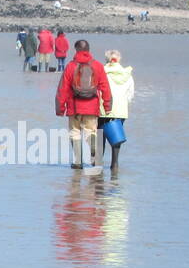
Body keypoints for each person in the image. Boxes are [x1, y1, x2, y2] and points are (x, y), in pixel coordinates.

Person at [56, 39, 112, 170]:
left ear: (76, 50)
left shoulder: (70, 66)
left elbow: (62, 89)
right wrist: (107, 106)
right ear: (88, 49)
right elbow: (105, 87)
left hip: (74, 107)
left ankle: (77, 162)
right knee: (91, 132)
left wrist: (60, 108)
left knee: (75, 133)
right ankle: (94, 154)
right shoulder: (97, 66)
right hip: (92, 106)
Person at [99, 49, 135, 170]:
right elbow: (130, 94)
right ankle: (115, 164)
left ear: (106, 59)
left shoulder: (102, 73)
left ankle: (97, 165)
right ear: (119, 59)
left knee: (100, 137)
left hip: (103, 109)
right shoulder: (127, 75)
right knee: (116, 137)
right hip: (121, 110)